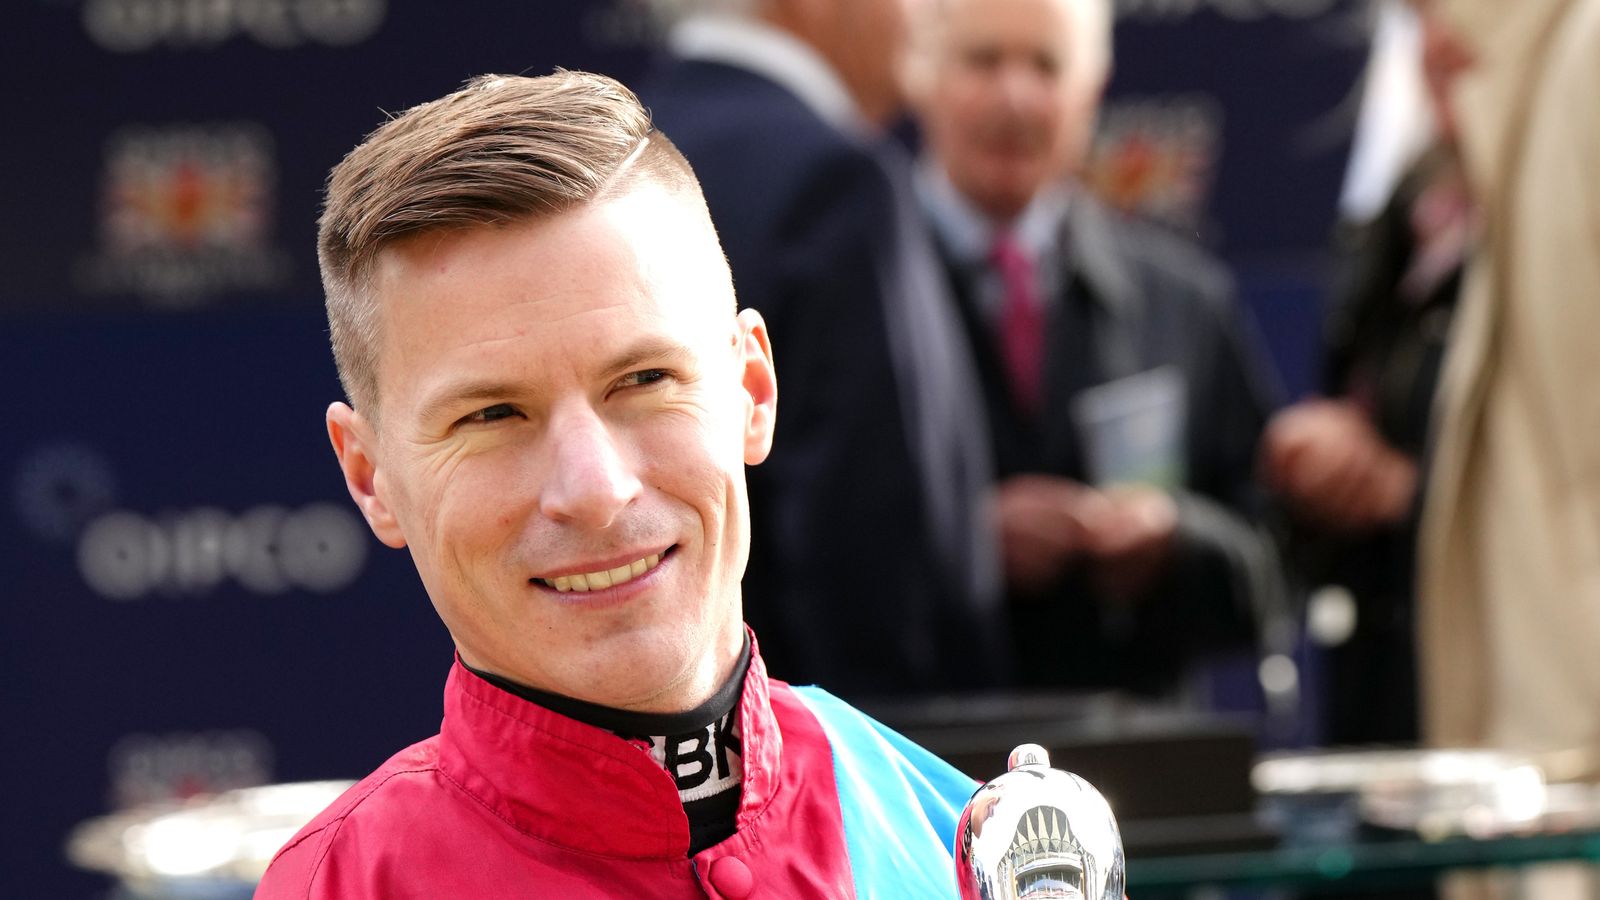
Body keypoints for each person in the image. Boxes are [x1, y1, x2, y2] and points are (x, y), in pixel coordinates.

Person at [253, 72, 978, 899]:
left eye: (643, 380)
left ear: (752, 390)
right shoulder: (343, 885)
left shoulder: (959, 839)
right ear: (370, 476)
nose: (596, 490)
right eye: (492, 415)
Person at [637, 0, 1011, 697]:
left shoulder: (615, 162)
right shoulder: (835, 177)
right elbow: (870, 534)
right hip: (827, 737)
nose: (930, 12)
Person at [909, 0, 1283, 694]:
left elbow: (1272, 560)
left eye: (1046, 66)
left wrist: (1175, 537)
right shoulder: (844, 296)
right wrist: (962, 543)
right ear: (921, 73)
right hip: (906, 748)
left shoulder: (1181, 299)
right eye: (983, 61)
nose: (1015, 96)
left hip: (1131, 739)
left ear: (1092, 88)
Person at [1262, 0, 1475, 749]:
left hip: (1513, 710)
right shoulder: (1402, 218)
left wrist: (1408, 493)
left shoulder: (1559, 229)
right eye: (1427, 20)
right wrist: (1317, 466)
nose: (1443, 42)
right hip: (1385, 705)